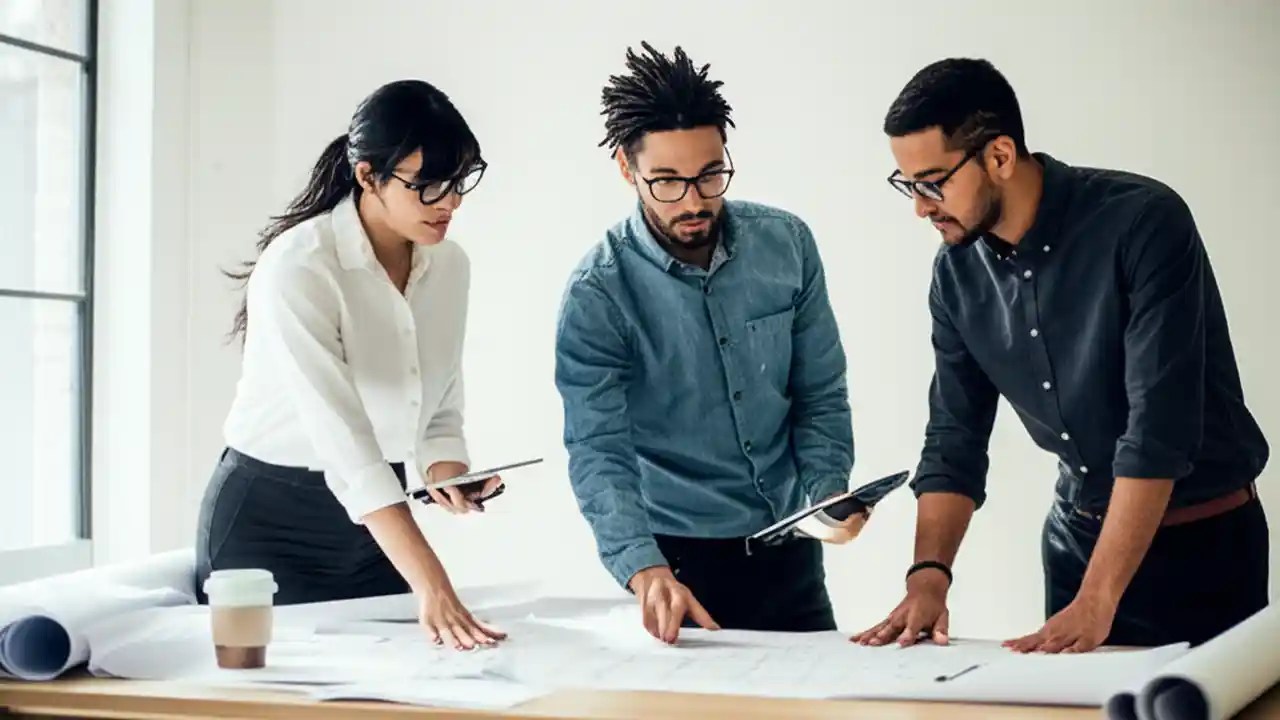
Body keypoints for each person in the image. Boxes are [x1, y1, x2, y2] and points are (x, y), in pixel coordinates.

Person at [854, 58, 1270, 653]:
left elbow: (1157, 431)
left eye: (931, 182)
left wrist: (1101, 598)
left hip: (1203, 552)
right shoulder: (955, 276)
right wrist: (929, 578)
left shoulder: (1145, 223)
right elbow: (954, 438)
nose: (920, 207)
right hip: (1075, 547)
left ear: (998, 156)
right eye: (907, 185)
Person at [553, 42, 866, 644]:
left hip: (791, 548)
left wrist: (828, 493)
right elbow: (597, 447)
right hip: (678, 568)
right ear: (627, 169)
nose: (694, 201)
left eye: (710, 174)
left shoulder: (788, 245)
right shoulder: (598, 293)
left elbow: (820, 389)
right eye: (668, 182)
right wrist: (642, 569)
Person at [196, 79, 506, 651]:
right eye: (430, 185)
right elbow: (345, 444)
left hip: (375, 523)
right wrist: (433, 582)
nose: (451, 202)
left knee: (391, 696)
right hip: (269, 523)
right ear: (368, 175)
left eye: (460, 181)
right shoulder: (299, 268)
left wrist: (445, 472)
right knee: (269, 703)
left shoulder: (449, 265)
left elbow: (437, 403)